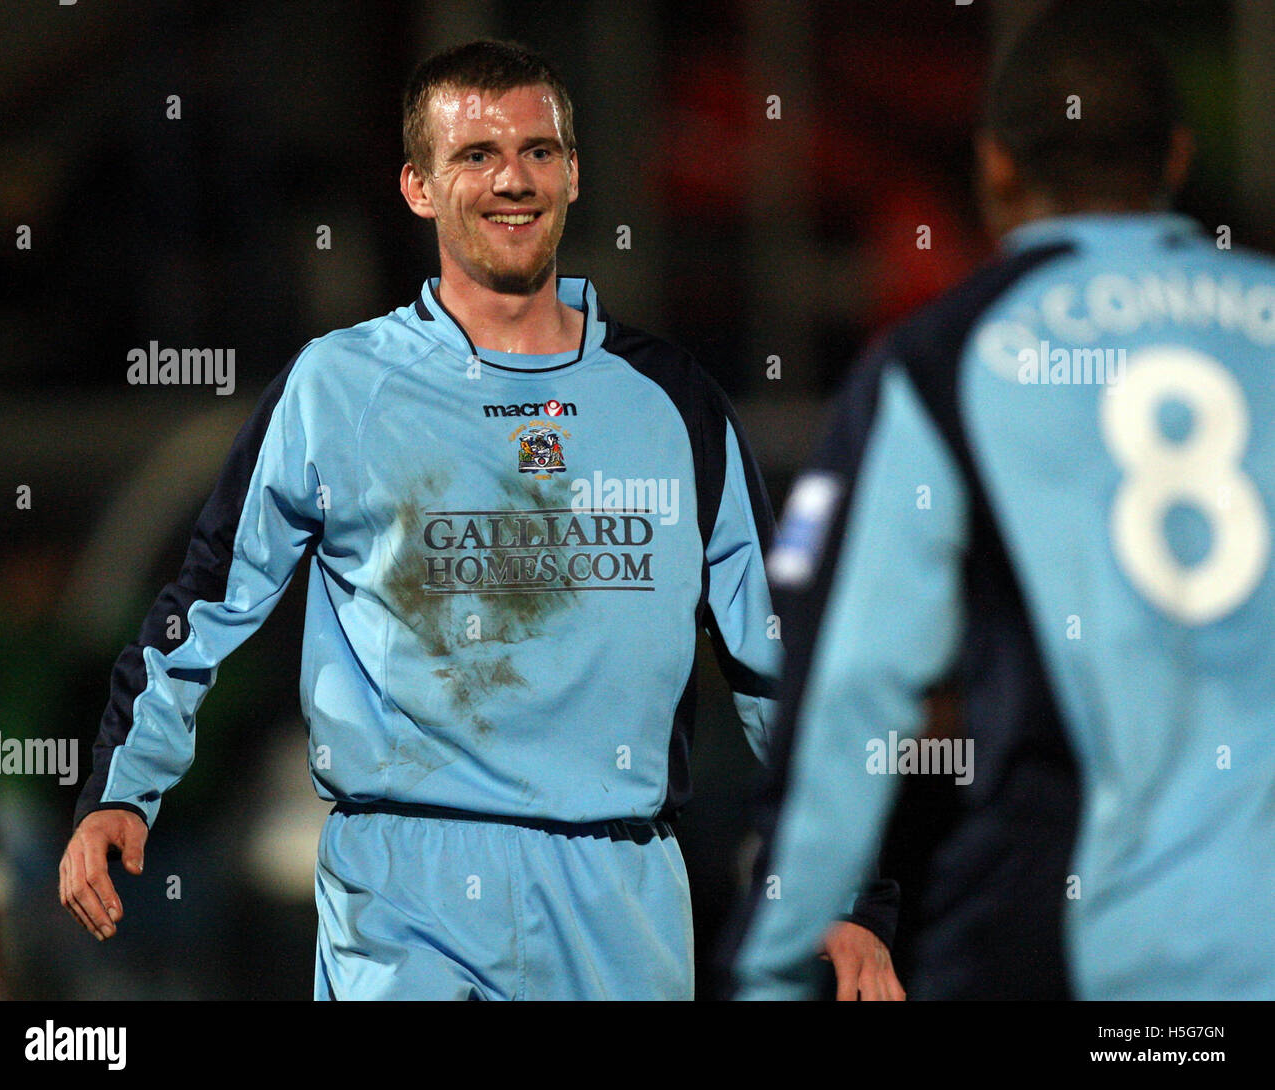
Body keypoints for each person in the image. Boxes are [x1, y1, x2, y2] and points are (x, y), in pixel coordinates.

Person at [59, 39, 900, 1000]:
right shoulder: (339, 388)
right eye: (476, 155)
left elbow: (774, 662)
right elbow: (207, 599)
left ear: (575, 174)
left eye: (539, 151)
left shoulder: (673, 403)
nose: (514, 179)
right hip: (402, 885)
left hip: (619, 889)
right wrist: (122, 789)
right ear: (418, 187)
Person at [728, 2, 1275, 1000]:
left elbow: (851, 686)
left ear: (995, 167)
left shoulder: (944, 358)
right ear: (1179, 156)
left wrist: (775, 958)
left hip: (1075, 943)